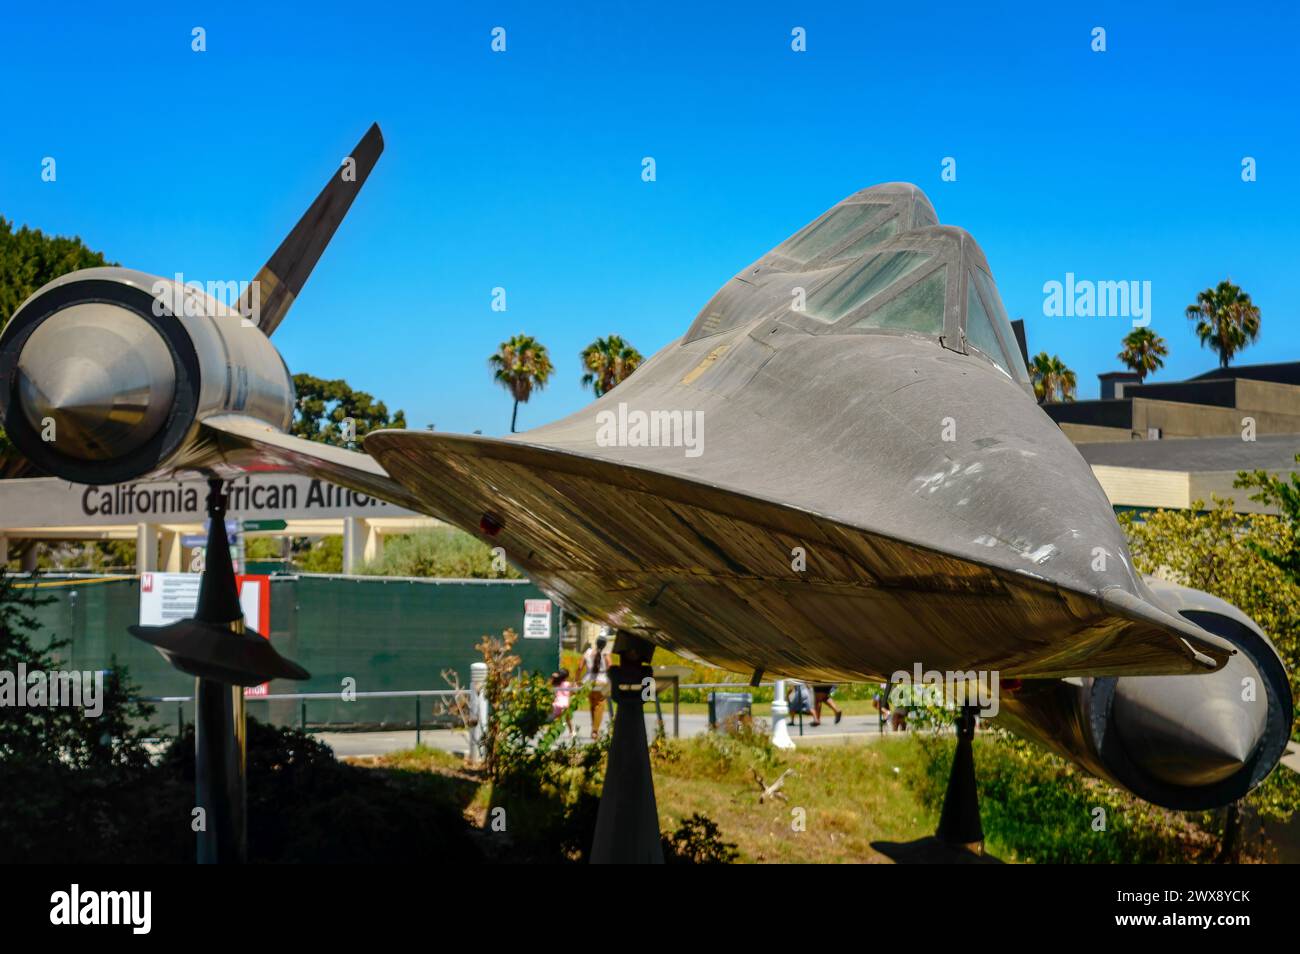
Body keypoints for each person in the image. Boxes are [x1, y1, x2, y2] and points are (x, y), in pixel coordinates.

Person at [577, 633, 613, 739]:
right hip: (601, 681)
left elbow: (579, 667)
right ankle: (595, 731)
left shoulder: (588, 652)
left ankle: (594, 728)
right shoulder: (605, 653)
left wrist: (577, 680)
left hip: (588, 682)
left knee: (593, 705)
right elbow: (610, 665)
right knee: (599, 706)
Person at [550, 668, 576, 737]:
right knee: (568, 718)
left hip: (557, 703)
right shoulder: (567, 684)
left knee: (556, 717)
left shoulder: (556, 683)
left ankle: (553, 731)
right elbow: (573, 691)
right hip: (565, 703)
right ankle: (571, 731)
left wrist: (554, 676)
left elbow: (550, 681)